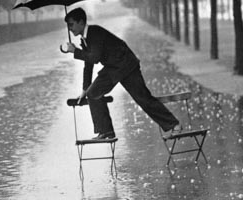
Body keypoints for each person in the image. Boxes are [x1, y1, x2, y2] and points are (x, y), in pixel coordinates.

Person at [60, 8, 180, 140]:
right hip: (113, 68)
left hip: (127, 65)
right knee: (92, 93)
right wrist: (84, 89)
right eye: (68, 26)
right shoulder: (85, 39)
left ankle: (174, 125)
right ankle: (106, 132)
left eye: (71, 24)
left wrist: (75, 51)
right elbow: (88, 64)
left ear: (81, 22)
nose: (70, 29)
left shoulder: (95, 32)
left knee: (143, 98)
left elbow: (93, 57)